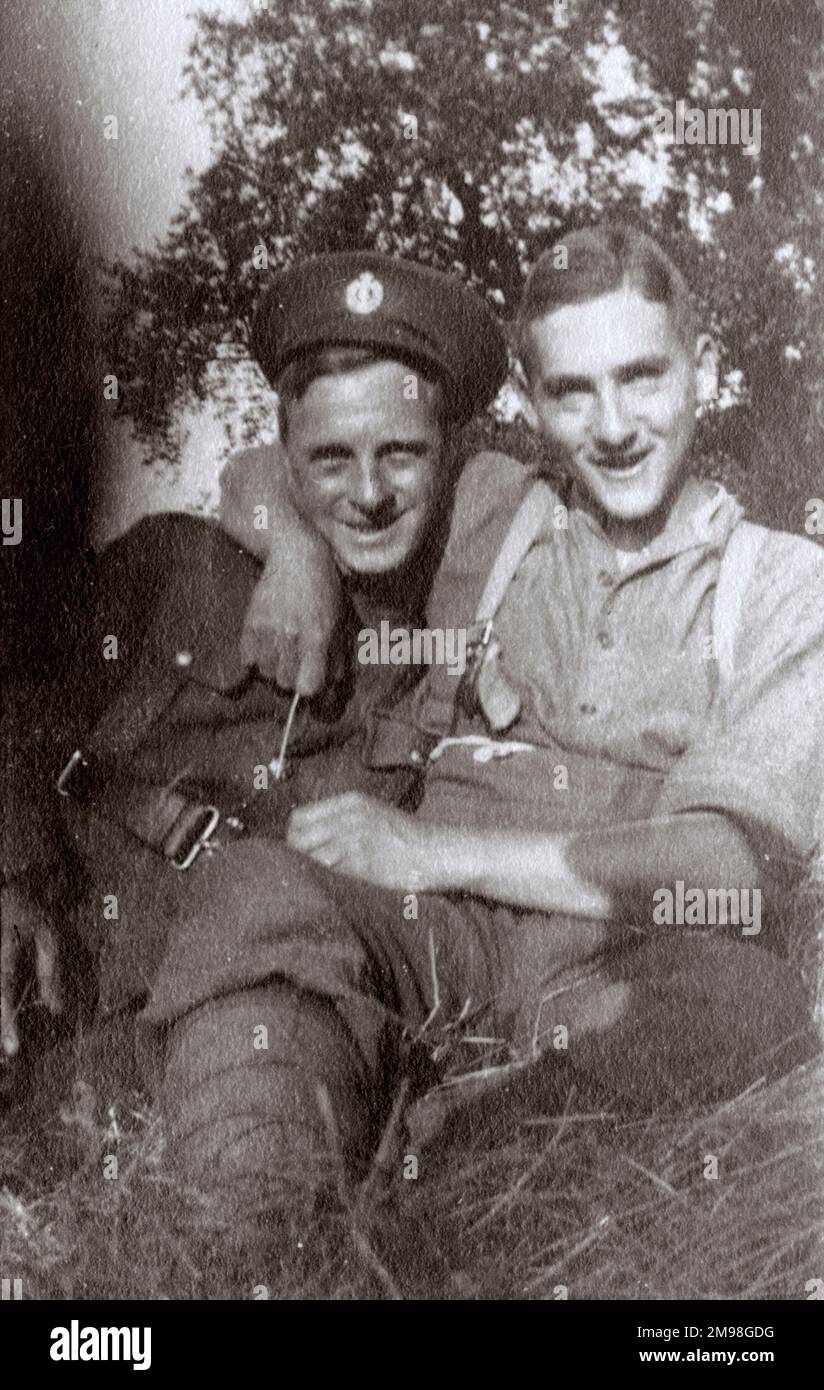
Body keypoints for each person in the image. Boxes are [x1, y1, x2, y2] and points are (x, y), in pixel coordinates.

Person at [147, 224, 822, 1237]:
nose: (613, 427)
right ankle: (245, 1238)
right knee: (259, 891)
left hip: (616, 955)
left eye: (640, 377)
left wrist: (430, 847)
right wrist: (294, 553)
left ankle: (451, 1165)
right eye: (571, 392)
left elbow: (723, 872)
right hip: (438, 930)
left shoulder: (780, 584)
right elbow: (289, 456)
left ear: (702, 371)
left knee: (740, 1001)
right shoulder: (498, 511)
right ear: (535, 408)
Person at [0, 251, 507, 1067]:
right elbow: (14, 694)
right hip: (41, 959)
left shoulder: (452, 658)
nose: (369, 494)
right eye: (332, 458)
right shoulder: (177, 564)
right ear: (284, 444)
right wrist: (10, 876)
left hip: (199, 1040)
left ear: (449, 447)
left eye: (402, 453)